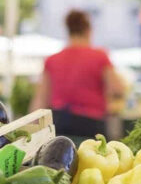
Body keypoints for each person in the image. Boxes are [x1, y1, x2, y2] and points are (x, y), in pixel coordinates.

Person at [32, 9, 123, 138]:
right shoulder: (100, 56)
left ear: (68, 30)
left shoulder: (52, 60)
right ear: (88, 30)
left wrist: (34, 130)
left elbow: (40, 99)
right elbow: (117, 89)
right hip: (92, 123)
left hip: (59, 122)